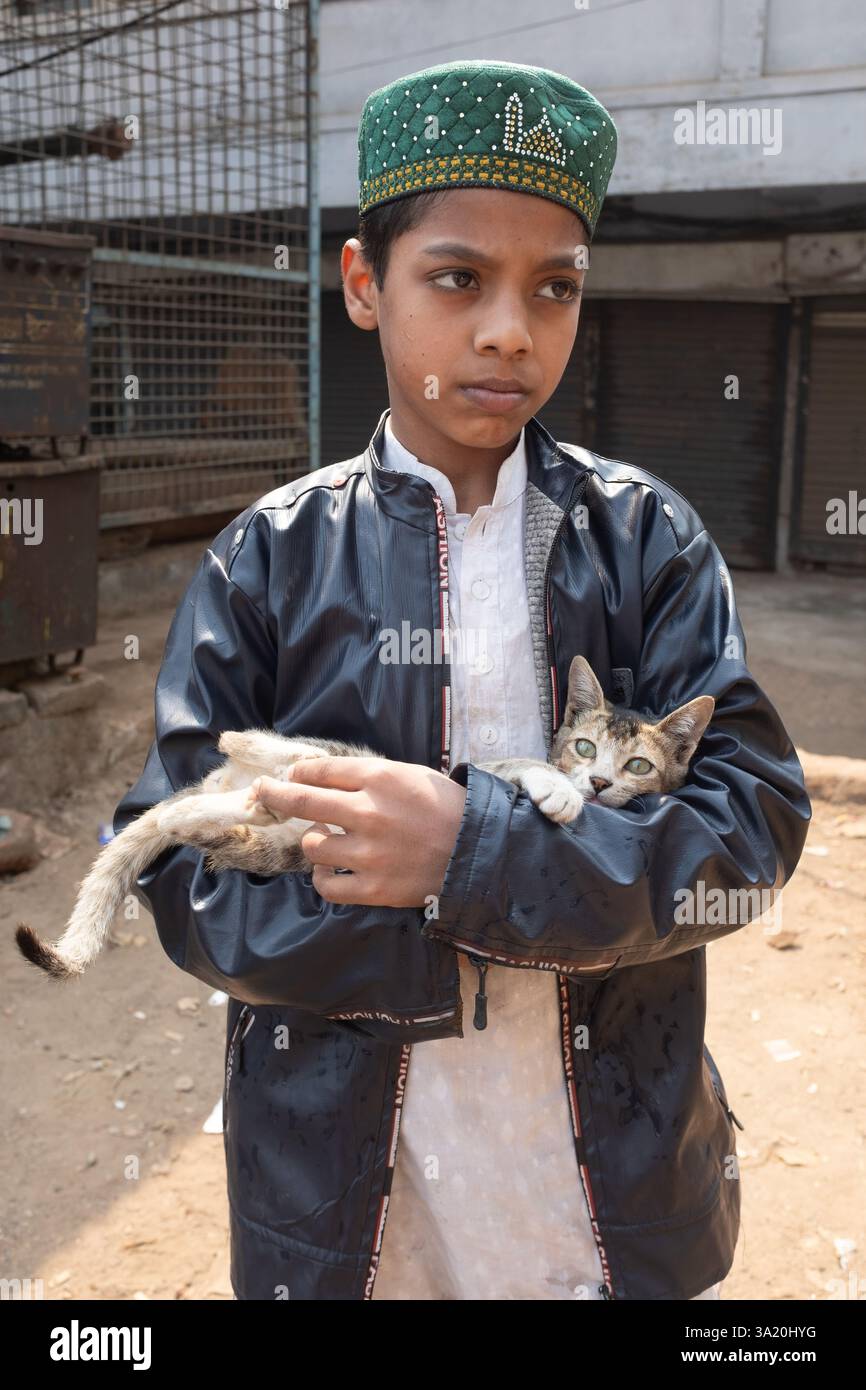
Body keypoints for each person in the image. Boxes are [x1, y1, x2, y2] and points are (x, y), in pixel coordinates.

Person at [114, 59, 810, 1300]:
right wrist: (406, 918)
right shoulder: (269, 560)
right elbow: (172, 868)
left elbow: (747, 832)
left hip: (609, 1177)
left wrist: (475, 856)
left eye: (553, 287)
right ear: (363, 285)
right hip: (342, 1196)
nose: (507, 328)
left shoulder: (646, 539)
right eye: (456, 278)